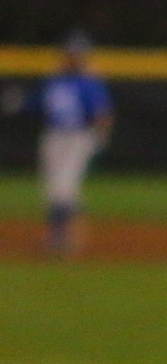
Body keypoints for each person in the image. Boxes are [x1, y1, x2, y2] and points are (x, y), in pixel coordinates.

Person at [20, 32, 113, 257]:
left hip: (78, 138)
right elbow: (35, 105)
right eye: (70, 53)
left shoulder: (89, 82)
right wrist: (19, 103)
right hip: (53, 137)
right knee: (53, 189)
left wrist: (100, 137)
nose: (72, 57)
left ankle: (59, 237)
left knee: (63, 186)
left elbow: (103, 114)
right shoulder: (53, 80)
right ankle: (71, 230)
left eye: (77, 54)